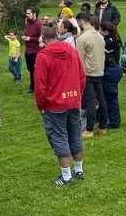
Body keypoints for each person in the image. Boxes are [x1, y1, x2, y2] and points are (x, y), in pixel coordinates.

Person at [34, 22, 87, 186]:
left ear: (43, 38)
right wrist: (78, 94)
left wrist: (41, 105)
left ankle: (66, 176)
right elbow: (81, 75)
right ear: (56, 35)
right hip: (73, 100)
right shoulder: (71, 50)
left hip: (54, 104)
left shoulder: (43, 56)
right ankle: (78, 169)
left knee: (59, 136)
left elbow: (40, 84)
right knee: (75, 133)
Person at [77, 14, 108, 137]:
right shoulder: (100, 36)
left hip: (88, 72)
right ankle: (102, 126)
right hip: (99, 70)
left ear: (80, 22)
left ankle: (89, 129)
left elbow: (79, 59)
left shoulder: (82, 38)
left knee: (89, 101)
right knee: (101, 100)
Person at [99, 21, 123, 129]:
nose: (99, 32)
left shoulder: (107, 42)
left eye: (101, 30)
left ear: (106, 31)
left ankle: (114, 121)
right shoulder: (114, 39)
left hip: (110, 70)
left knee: (110, 97)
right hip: (115, 69)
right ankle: (108, 118)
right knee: (108, 96)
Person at [23, 7, 43, 94]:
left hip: (35, 50)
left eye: (28, 13)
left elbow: (41, 38)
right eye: (26, 13)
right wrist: (25, 37)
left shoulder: (39, 24)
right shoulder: (27, 23)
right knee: (30, 69)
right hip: (28, 50)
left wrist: (30, 38)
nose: (27, 15)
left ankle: (37, 87)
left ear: (34, 14)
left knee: (36, 70)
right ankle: (32, 87)